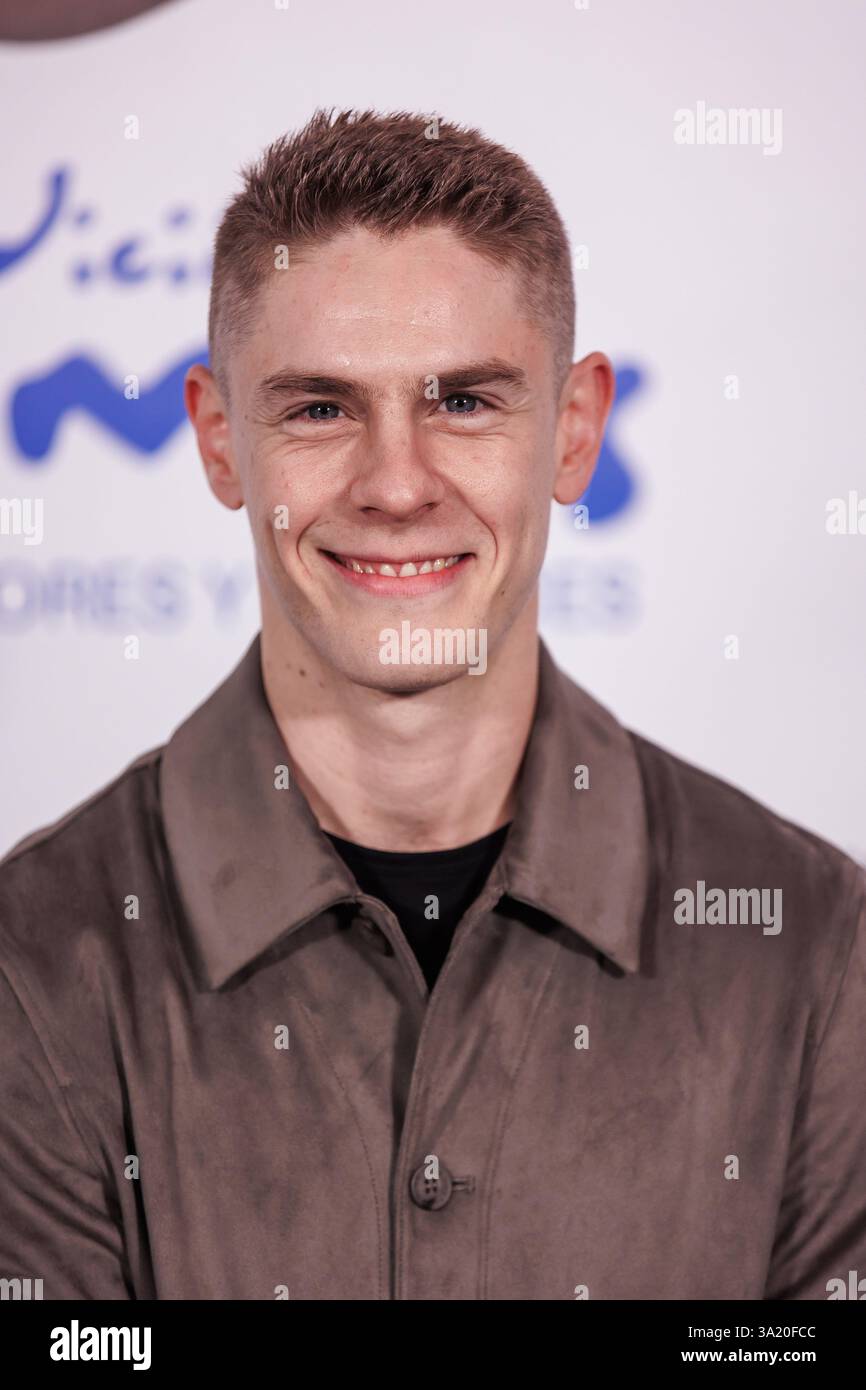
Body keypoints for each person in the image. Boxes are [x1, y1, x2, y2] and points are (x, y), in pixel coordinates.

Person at [1, 109, 863, 1301]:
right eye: (318, 407)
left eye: (463, 401)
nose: (396, 483)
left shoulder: (816, 948)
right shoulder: (28, 960)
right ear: (217, 439)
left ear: (571, 433)